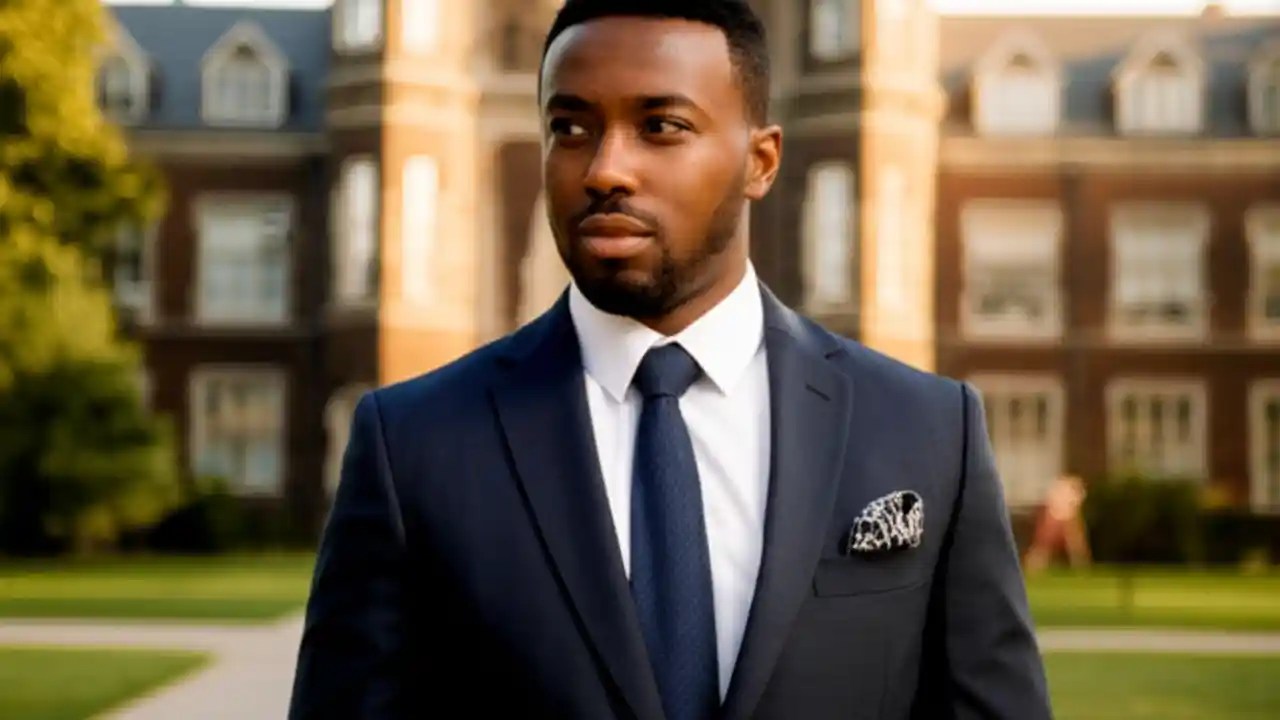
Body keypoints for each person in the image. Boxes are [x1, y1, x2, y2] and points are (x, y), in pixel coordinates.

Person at [288, 1, 1051, 718]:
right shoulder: (413, 444)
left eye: (660, 125)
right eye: (572, 127)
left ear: (761, 160)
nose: (605, 169)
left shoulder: (926, 430)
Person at [1025, 473, 1092, 574]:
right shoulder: (1062, 490)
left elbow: (1074, 506)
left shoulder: (1069, 492)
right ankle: (1033, 568)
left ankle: (1081, 567)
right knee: (1043, 547)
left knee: (1075, 547)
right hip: (1056, 519)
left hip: (1067, 520)